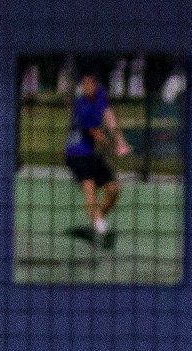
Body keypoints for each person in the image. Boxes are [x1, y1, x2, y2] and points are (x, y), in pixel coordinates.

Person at [63, 72, 133, 249]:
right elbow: (96, 133)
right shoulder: (82, 107)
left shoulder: (101, 94)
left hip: (91, 155)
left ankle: (97, 216)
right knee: (90, 190)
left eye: (89, 83)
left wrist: (120, 140)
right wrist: (113, 146)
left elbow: (109, 114)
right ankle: (97, 225)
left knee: (114, 189)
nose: (86, 87)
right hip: (76, 155)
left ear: (96, 84)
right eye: (84, 83)